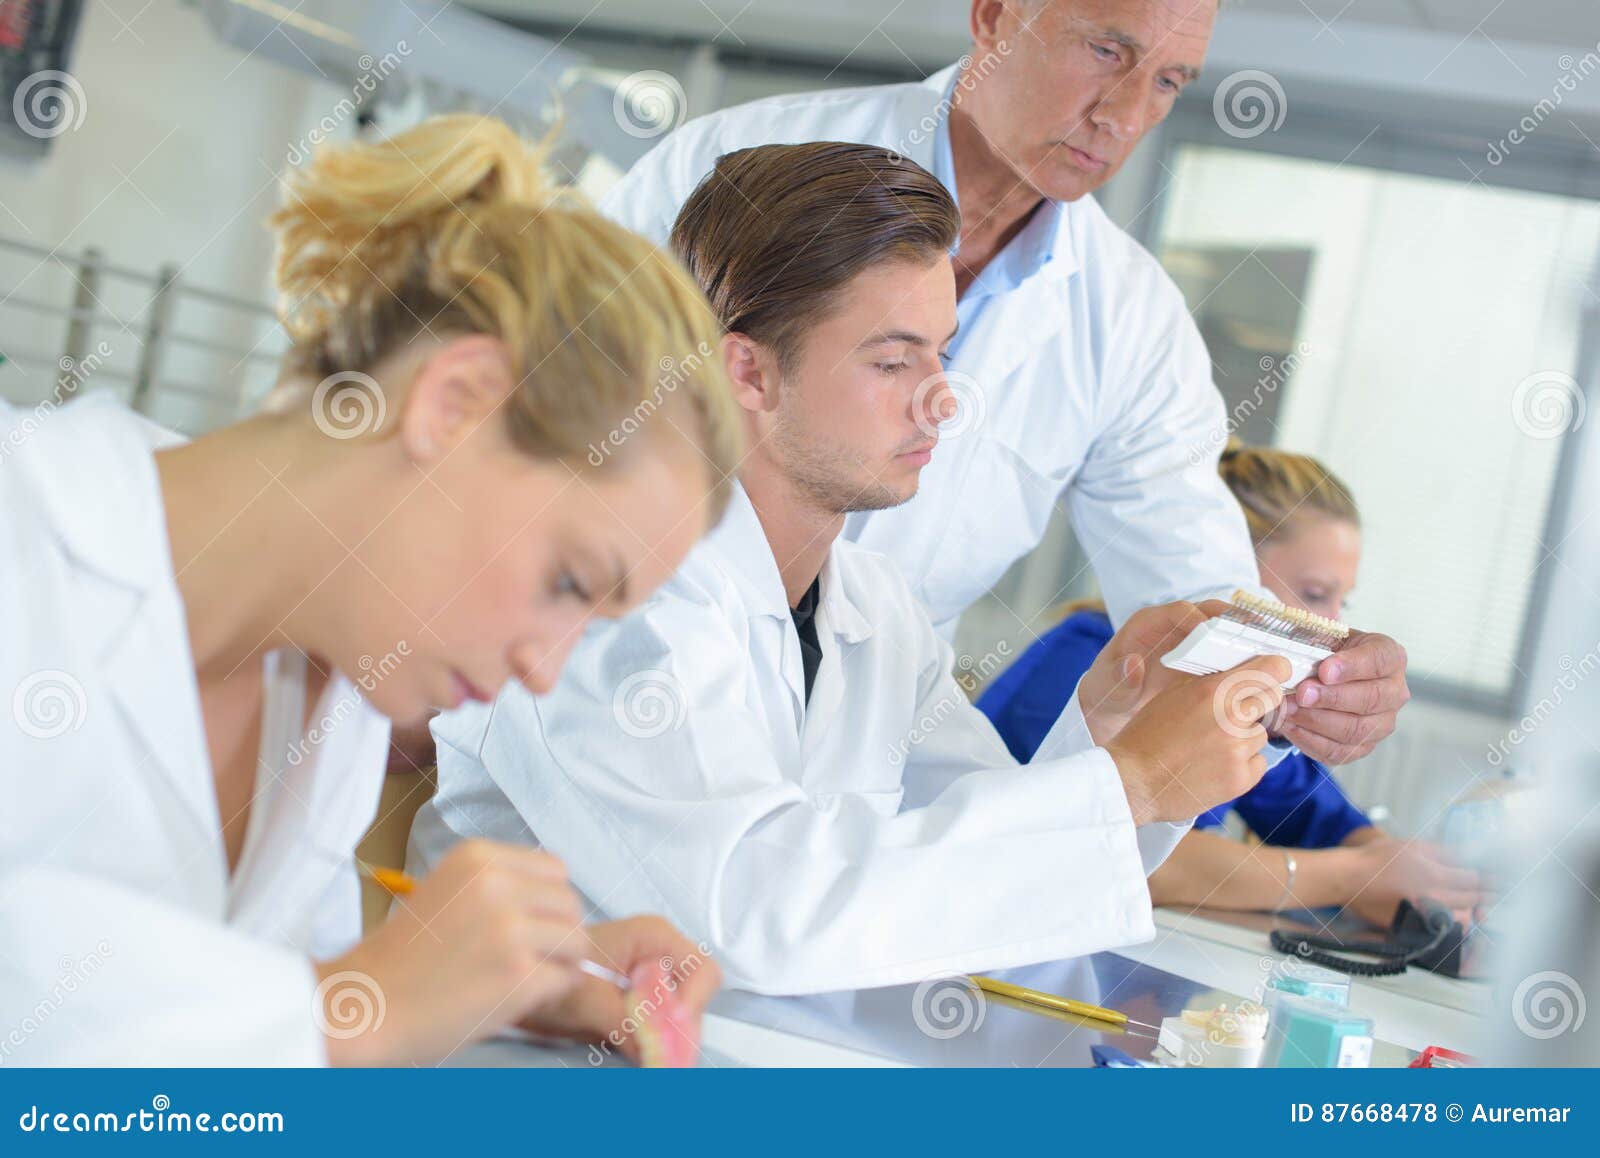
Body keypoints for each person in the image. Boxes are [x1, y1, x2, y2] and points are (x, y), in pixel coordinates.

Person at [410, 142, 1291, 996]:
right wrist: (1128, 781)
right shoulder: (609, 594)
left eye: (943, 355)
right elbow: (759, 912)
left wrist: (1107, 735)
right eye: (892, 360)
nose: (942, 397)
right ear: (748, 373)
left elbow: (967, 864)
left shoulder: (871, 606)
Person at [0, 115, 735, 1065]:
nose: (544, 672)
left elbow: (215, 1010)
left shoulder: (332, 691)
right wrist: (357, 1004)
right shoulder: (26, 533)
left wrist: (488, 983)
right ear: (456, 402)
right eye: (569, 581)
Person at [598, 0, 1410, 770]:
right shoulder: (732, 176)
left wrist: (1300, 684)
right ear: (992, 15)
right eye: (1105, 50)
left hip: (859, 740)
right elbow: (558, 419)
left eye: (1167, 81)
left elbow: (1188, 589)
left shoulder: (1129, 320)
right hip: (625, 672)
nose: (1124, 115)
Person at [979, 443, 1488, 926]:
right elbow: (1129, 856)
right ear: (1226, 564)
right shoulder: (1091, 660)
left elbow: (1322, 822)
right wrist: (1354, 878)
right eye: (1314, 593)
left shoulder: (1251, 697)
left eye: (1342, 605)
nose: (1333, 626)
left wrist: (1425, 884)